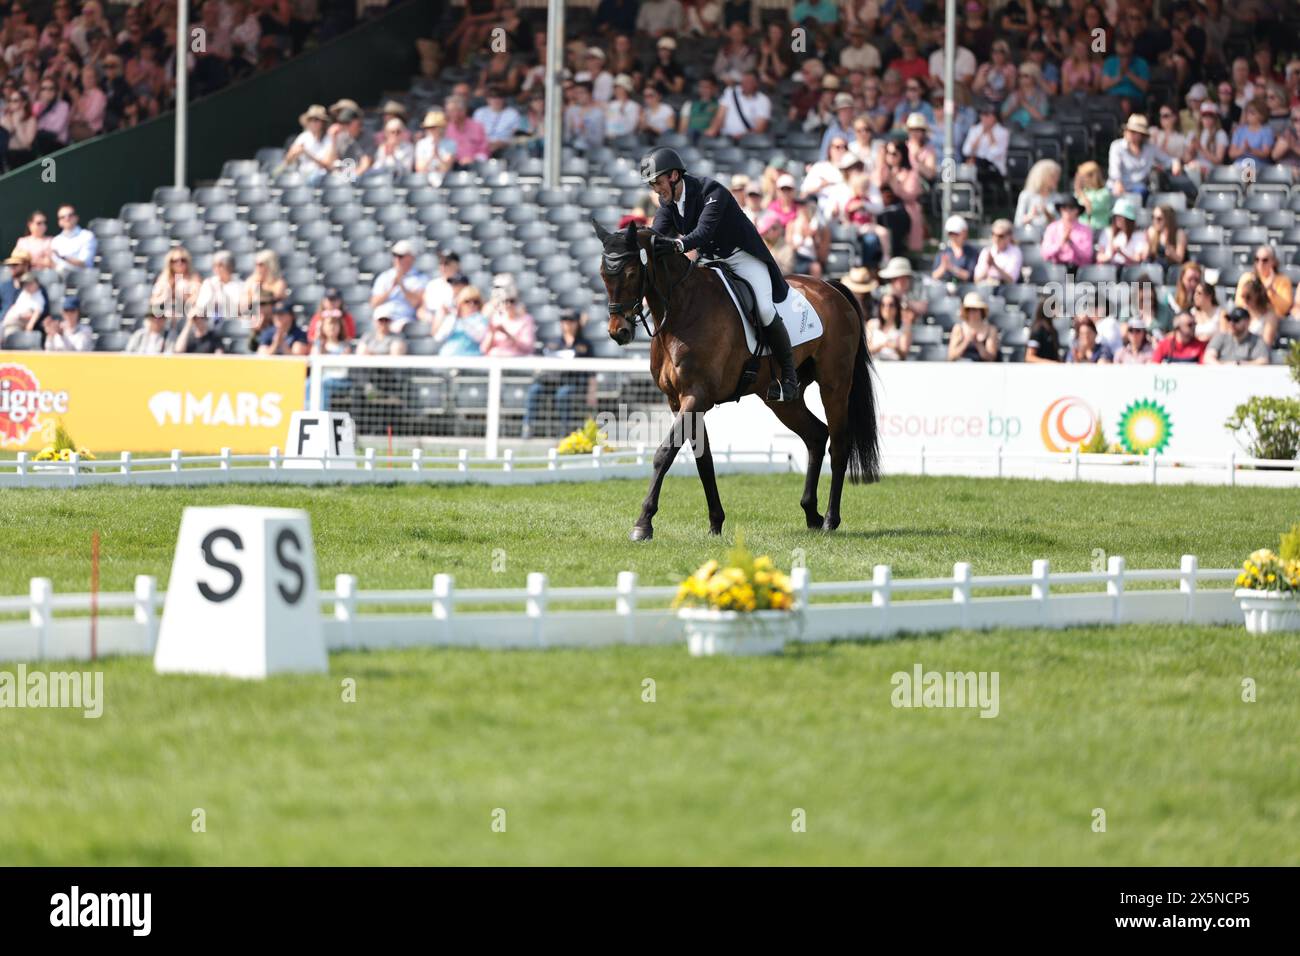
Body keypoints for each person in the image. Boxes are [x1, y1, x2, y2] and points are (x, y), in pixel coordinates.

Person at [642, 145, 798, 400]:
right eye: (652, 186)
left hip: (742, 257)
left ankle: (790, 378)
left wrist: (677, 245)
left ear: (673, 176)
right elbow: (656, 235)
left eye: (657, 182)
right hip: (712, 261)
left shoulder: (711, 191)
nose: (656, 190)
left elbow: (703, 232)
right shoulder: (667, 202)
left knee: (765, 308)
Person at [524, 309, 598, 439]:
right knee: (534, 390)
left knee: (563, 394)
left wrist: (592, 392)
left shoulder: (585, 345)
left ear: (577, 323)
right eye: (565, 321)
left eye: (571, 321)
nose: (568, 324)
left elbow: (592, 372)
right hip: (551, 382)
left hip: (573, 384)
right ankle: (528, 426)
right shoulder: (553, 343)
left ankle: (565, 431)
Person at [369, 240, 427, 330]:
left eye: (400, 256)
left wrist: (401, 285)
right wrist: (391, 288)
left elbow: (416, 303)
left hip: (403, 319)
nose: (397, 259)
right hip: (382, 317)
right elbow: (374, 303)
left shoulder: (420, 278)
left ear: (411, 257)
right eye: (394, 255)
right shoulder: (385, 276)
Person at [480, 275, 537, 357]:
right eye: (504, 301)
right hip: (494, 361)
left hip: (517, 362)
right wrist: (492, 333)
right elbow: (484, 349)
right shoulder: (493, 316)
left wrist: (506, 333)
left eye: (511, 301)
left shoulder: (525, 319)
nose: (508, 304)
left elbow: (528, 348)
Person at [1235, 246, 1293, 319]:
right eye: (1257, 259)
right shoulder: (1246, 278)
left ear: (1273, 262)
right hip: (1250, 320)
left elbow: (1285, 309)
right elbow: (1240, 304)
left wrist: (1272, 291)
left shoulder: (1283, 280)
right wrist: (1264, 289)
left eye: (1265, 260)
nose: (1260, 263)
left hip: (1274, 322)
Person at [1107, 113, 1155, 202]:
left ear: (1141, 135)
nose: (1128, 133)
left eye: (1133, 131)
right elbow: (1114, 168)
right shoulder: (1116, 146)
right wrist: (1118, 182)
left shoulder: (1150, 149)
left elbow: (1167, 160)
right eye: (1128, 130)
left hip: (1138, 189)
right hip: (1116, 187)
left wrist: (1175, 162)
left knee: (1142, 192)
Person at [284, 104, 332, 183]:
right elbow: (288, 161)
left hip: (321, 177)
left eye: (316, 119)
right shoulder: (303, 137)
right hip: (302, 175)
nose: (313, 122)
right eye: (310, 119)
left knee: (312, 179)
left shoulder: (328, 138)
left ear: (323, 122)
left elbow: (327, 164)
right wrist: (294, 153)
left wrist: (307, 153)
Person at [1204, 307, 1270, 365]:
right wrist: (1223, 368)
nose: (1231, 323)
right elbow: (1208, 357)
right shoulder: (1221, 337)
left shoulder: (1257, 340)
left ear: (1247, 322)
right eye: (1229, 319)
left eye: (1236, 320)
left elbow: (1263, 361)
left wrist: (1239, 365)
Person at [434, 285, 488, 356]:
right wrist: (454, 318)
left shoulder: (481, 318)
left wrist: (463, 320)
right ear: (460, 302)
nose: (472, 304)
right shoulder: (452, 317)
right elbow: (439, 337)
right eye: (467, 301)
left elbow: (479, 337)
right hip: (449, 356)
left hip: (471, 357)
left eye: (475, 301)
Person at [1041, 195, 1093, 268]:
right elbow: (1045, 253)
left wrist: (1071, 243)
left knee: (1070, 276)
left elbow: (1087, 256)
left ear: (1077, 210)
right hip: (1055, 268)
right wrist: (1061, 243)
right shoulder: (1052, 228)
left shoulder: (1085, 230)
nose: (1067, 211)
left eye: (1071, 208)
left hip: (1076, 269)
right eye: (1064, 208)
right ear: (1060, 210)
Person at [947, 292, 1000, 361]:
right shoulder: (958, 329)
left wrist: (978, 344)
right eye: (968, 309)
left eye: (975, 309)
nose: (971, 312)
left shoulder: (991, 330)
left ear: (981, 311)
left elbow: (991, 358)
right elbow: (951, 356)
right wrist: (966, 341)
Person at [1096, 198, 1148, 266]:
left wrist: (1121, 253)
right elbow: (1099, 257)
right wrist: (1110, 256)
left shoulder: (1138, 235)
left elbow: (1137, 260)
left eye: (1120, 216)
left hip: (1127, 271)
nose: (1117, 218)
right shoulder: (1107, 232)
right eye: (1116, 216)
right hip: (1109, 269)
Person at [974, 219, 1023, 285]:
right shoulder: (986, 251)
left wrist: (994, 265)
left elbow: (1011, 280)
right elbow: (976, 279)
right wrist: (988, 266)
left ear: (1009, 236)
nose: (996, 238)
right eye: (993, 234)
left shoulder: (1015, 252)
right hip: (985, 287)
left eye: (1000, 236)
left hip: (1005, 290)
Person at [866, 291, 912, 361]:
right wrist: (881, 346)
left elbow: (904, 355)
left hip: (896, 365)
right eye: (883, 304)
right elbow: (866, 350)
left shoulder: (904, 327)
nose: (887, 308)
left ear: (897, 308)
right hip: (875, 364)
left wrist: (895, 347)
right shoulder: (871, 324)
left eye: (891, 305)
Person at [1015, 159, 1060, 230]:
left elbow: (1059, 223)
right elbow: (1017, 222)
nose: (1057, 179)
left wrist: (1047, 213)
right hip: (1030, 237)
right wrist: (1030, 216)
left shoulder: (1056, 197)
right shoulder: (1026, 195)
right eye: (1053, 176)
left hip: (1050, 237)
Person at [931, 215, 978, 283]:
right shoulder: (943, 252)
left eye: (956, 233)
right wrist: (943, 267)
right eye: (950, 233)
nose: (953, 237)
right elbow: (934, 275)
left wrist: (952, 268)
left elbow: (970, 275)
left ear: (964, 233)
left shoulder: (971, 252)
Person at [50, 204, 96, 273]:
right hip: (59, 277)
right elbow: (54, 265)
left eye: (70, 215)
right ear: (59, 222)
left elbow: (83, 263)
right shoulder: (55, 241)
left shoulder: (87, 236)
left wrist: (63, 257)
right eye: (62, 217)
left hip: (82, 278)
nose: (67, 219)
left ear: (76, 217)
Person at [1074, 160, 1112, 232]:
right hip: (1081, 231)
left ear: (1093, 176)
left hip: (1099, 230)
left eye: (1083, 176)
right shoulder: (1082, 192)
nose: (1081, 180)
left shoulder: (1104, 193)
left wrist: (1080, 192)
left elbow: (1089, 208)